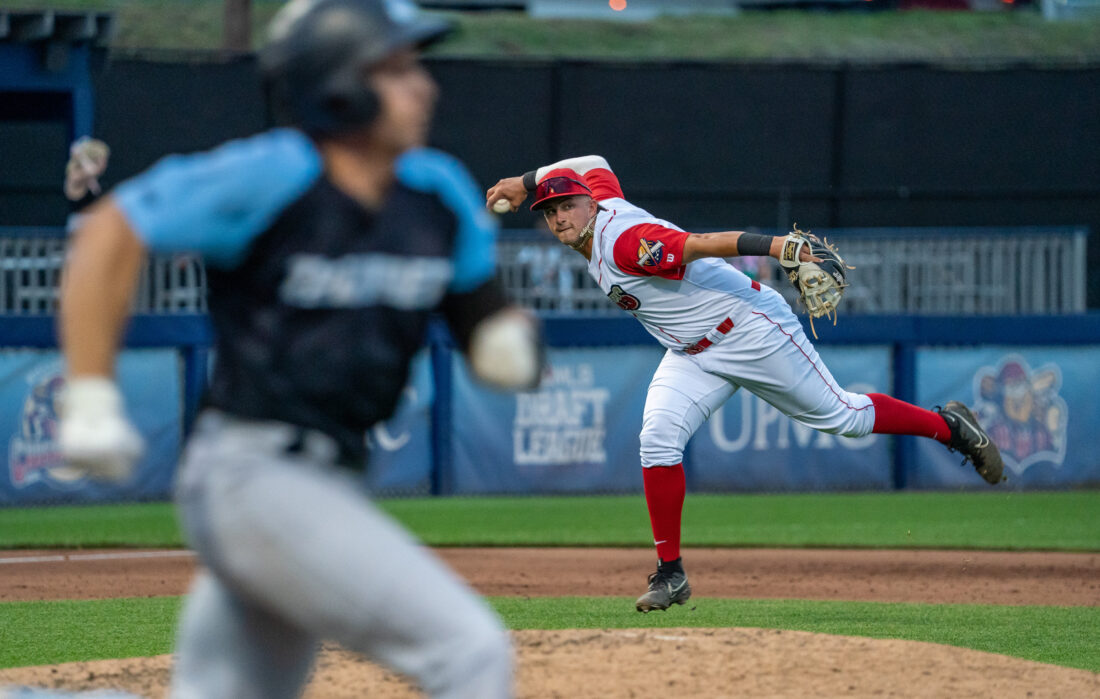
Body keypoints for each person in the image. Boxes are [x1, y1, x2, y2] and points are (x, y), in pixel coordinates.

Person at [56, 1, 542, 697]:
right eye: (398, 69)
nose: (424, 87)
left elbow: (483, 317)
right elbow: (111, 229)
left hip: (331, 479)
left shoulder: (436, 192)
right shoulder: (274, 174)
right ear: (339, 86)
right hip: (252, 475)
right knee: (468, 651)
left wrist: (508, 342)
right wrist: (91, 392)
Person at [486, 156, 1004, 613]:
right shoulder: (603, 197)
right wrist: (527, 180)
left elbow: (700, 244)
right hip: (691, 353)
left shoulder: (624, 242)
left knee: (844, 418)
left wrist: (777, 246)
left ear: (589, 203)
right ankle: (671, 573)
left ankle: (950, 427)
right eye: (550, 212)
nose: (558, 218)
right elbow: (594, 158)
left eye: (567, 206)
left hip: (751, 330)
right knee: (658, 439)